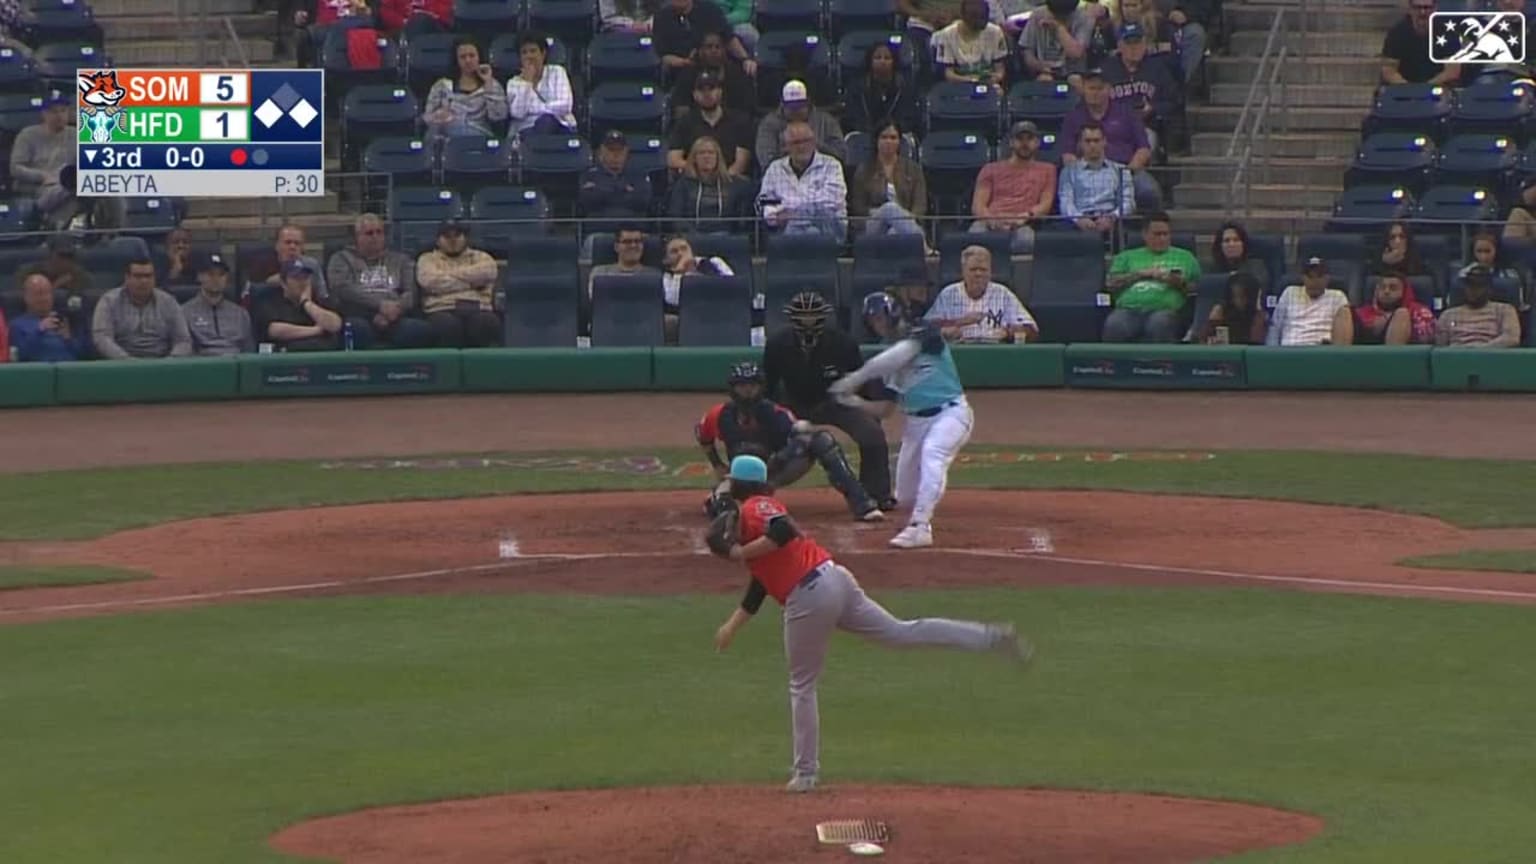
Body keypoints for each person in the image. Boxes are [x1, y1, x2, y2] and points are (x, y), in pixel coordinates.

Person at [706, 453, 1031, 794]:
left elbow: (785, 531)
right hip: (835, 580)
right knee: (901, 632)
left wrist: (738, 554)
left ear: (741, 485)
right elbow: (761, 582)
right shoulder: (752, 521)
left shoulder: (758, 507)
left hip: (809, 595)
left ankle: (805, 773)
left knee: (801, 685)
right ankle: (990, 637)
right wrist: (732, 625)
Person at [829, 296, 974, 549]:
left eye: (880, 318)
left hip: (950, 413)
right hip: (915, 424)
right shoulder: (886, 362)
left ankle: (920, 526)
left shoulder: (923, 332)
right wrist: (852, 402)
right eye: (872, 320)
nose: (877, 324)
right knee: (905, 496)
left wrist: (855, 378)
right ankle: (916, 515)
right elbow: (885, 410)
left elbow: (901, 354)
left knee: (934, 454)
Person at [695, 362, 885, 522]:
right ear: (732, 388)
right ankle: (724, 495)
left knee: (822, 440)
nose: (747, 391)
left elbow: (799, 440)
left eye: (752, 385)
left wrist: (777, 461)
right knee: (721, 513)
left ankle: (862, 504)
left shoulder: (777, 414)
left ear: (761, 387)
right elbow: (703, 435)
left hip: (773, 471)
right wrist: (717, 464)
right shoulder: (719, 415)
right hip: (739, 476)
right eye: (742, 386)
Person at [762, 292, 896, 511]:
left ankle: (877, 493)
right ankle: (755, 488)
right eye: (803, 317)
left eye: (813, 317)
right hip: (793, 401)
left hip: (834, 400)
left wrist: (869, 412)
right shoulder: (777, 344)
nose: (808, 322)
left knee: (871, 434)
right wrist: (771, 416)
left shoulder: (843, 343)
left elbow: (861, 381)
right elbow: (769, 385)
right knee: (764, 433)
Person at [1059, 68, 1160, 210]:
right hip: (1088, 172)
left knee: (1148, 191)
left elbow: (1143, 148)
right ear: (1083, 89)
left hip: (1124, 170)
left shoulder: (1126, 113)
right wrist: (1084, 174)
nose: (1095, 92)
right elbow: (1068, 154)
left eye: (1100, 88)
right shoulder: (1073, 117)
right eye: (1091, 88)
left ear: (1109, 89)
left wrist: (1128, 173)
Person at [328, 214, 432, 349]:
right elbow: (342, 289)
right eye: (369, 233)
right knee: (357, 329)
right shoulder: (341, 259)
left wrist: (395, 310)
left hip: (394, 316)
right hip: (358, 314)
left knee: (418, 330)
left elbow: (410, 292)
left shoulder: (401, 260)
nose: (375, 237)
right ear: (357, 237)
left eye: (379, 232)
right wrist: (379, 306)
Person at [1102, 212, 1200, 342]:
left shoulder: (1186, 257)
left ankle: (1161, 363)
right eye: (1157, 234)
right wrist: (1139, 274)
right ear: (1145, 235)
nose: (1162, 238)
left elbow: (1197, 290)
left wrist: (1175, 282)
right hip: (1128, 310)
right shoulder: (1126, 256)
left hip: (1165, 310)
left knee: (1159, 323)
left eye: (1166, 234)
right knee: (1114, 325)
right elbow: (1110, 284)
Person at [969, 120, 1057, 252]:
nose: (1024, 143)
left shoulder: (1048, 170)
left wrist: (1024, 217)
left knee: (1026, 239)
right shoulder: (990, 169)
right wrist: (993, 221)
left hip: (1023, 223)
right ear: (1011, 142)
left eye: (1029, 139)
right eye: (1020, 139)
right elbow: (978, 206)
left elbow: (1045, 205)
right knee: (976, 233)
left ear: (1037, 143)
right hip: (991, 221)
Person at [925, 245, 1038, 343]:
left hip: (995, 352)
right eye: (973, 269)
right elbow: (926, 328)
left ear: (990, 272)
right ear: (963, 271)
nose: (978, 274)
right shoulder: (948, 294)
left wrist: (1008, 332)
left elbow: (1032, 330)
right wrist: (955, 325)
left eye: (983, 270)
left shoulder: (1003, 293)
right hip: (959, 352)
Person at [415, 220, 502, 347]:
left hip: (478, 308)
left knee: (485, 323)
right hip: (441, 309)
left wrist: (447, 276)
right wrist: (471, 283)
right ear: (438, 240)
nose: (453, 240)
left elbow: (488, 273)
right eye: (447, 236)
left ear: (465, 238)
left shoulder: (482, 256)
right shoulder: (427, 259)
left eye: (457, 236)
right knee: (447, 326)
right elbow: (430, 282)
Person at [758, 121, 848, 238]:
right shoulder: (775, 168)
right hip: (784, 228)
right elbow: (765, 201)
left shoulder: (831, 165)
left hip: (827, 227)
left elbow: (831, 202)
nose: (801, 147)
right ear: (786, 146)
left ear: (814, 142)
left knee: (812, 228)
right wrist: (774, 216)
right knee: (809, 232)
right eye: (795, 143)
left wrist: (792, 213)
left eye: (806, 141)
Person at [91, 259, 194, 359]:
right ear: (127, 278)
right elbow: (102, 338)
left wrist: (171, 360)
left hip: (163, 363)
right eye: (138, 276)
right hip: (122, 365)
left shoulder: (168, 301)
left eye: (148, 276)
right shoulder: (109, 301)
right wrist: (126, 361)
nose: (144, 281)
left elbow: (183, 340)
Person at [848, 122, 928, 239]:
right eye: (884, 137)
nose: (888, 141)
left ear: (899, 141)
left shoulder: (913, 169)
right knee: (889, 209)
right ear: (876, 141)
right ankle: (924, 247)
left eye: (893, 138)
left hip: (906, 223)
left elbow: (920, 205)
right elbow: (858, 207)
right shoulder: (864, 170)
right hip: (872, 224)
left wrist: (904, 218)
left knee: (893, 232)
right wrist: (880, 213)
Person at [579, 130, 654, 256]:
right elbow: (589, 201)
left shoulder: (639, 174)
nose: (615, 155)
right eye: (611, 150)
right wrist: (624, 191)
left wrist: (606, 191)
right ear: (602, 151)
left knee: (653, 244)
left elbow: (643, 201)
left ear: (626, 152)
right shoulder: (589, 175)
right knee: (590, 245)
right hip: (599, 233)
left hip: (635, 235)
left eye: (619, 151)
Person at [666, 72, 755, 177]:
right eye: (701, 90)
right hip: (694, 180)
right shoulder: (685, 122)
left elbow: (741, 162)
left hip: (730, 181)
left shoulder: (739, 121)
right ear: (695, 95)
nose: (707, 94)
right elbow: (673, 159)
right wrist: (699, 174)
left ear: (720, 92)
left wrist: (721, 180)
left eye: (711, 89)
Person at [1056, 121, 1135, 234]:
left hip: (1112, 222)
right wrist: (1079, 219)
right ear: (1080, 144)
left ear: (1104, 142)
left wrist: (1111, 217)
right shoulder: (1068, 171)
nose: (1092, 145)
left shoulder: (1120, 170)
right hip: (1079, 221)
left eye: (1096, 141)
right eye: (1088, 141)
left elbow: (1128, 202)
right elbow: (1066, 202)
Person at [422, 36, 508, 139]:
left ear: (479, 57)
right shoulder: (441, 86)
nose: (468, 60)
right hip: (447, 136)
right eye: (463, 57)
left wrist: (488, 83)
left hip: (479, 135)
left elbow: (499, 116)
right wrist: (438, 116)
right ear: (456, 60)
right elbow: (427, 117)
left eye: (472, 56)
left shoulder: (492, 84)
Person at [666, 135, 752, 235]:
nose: (706, 156)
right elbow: (676, 216)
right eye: (701, 153)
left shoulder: (734, 184)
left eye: (711, 153)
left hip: (726, 237)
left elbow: (741, 220)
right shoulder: (683, 184)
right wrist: (693, 235)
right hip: (692, 237)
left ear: (718, 157)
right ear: (694, 158)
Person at [255, 259, 345, 352]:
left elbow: (335, 325)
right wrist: (316, 330)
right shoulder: (270, 300)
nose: (302, 282)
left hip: (322, 356)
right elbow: (275, 331)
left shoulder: (318, 300)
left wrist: (306, 303)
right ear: (283, 283)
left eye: (305, 277)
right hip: (289, 356)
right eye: (296, 278)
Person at [661, 235, 735, 343]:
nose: (681, 254)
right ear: (666, 260)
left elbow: (733, 286)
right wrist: (680, 272)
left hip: (721, 311)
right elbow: (673, 300)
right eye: (674, 251)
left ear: (691, 250)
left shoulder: (714, 262)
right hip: (691, 318)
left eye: (684, 248)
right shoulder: (668, 277)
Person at [755, 80, 847, 168]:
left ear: (808, 102)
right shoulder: (769, 124)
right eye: (791, 107)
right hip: (781, 175)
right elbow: (766, 160)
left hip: (823, 172)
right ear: (782, 104)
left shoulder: (826, 121)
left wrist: (814, 145)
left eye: (800, 106)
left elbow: (841, 155)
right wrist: (792, 149)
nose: (795, 111)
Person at [1266, 257, 1353, 347]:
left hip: (1320, 352)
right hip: (1289, 352)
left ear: (1327, 278)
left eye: (1319, 276)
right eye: (1310, 277)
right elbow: (1275, 327)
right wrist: (1272, 355)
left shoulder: (1337, 296)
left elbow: (1343, 341)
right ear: (1303, 278)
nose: (1314, 281)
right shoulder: (1289, 292)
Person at [181, 253, 255, 356]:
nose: (216, 279)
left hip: (235, 364)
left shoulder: (241, 314)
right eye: (211, 274)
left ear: (227, 278)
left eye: (221, 274)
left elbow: (249, 351)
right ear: (199, 277)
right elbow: (184, 348)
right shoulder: (185, 312)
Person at [668, 31, 755, 117]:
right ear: (700, 51)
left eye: (717, 47)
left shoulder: (736, 74)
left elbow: (746, 110)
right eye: (709, 47)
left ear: (724, 50)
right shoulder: (689, 74)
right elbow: (680, 108)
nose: (714, 51)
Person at [506, 32, 577, 137]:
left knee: (546, 120)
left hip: (559, 126)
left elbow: (565, 106)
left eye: (533, 51)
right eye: (524, 52)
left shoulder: (557, 72)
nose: (529, 56)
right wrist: (527, 83)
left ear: (543, 54)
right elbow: (518, 113)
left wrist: (535, 109)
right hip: (527, 130)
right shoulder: (513, 83)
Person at [842, 41, 920, 135]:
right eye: (877, 58)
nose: (882, 61)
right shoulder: (857, 87)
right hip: (863, 134)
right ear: (870, 61)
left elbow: (908, 117)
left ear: (894, 61)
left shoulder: (905, 87)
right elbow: (853, 116)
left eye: (887, 58)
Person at [1436, 264, 1523, 348]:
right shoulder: (1448, 315)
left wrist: (1478, 350)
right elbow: (1440, 348)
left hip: (1491, 357)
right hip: (1455, 358)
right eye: (1469, 286)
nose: (1473, 290)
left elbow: (1511, 339)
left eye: (1478, 286)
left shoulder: (1504, 310)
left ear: (1489, 289)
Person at [1340, 270, 1436, 346]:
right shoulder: (1364, 311)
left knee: (1401, 314)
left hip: (1402, 354)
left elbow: (1428, 337)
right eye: (1382, 287)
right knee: (1344, 311)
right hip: (1359, 350)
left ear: (1404, 291)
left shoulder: (1419, 311)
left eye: (1393, 288)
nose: (1386, 291)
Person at [1380, 0, 1460, 86]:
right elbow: (1389, 71)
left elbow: (1452, 71)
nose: (1422, 12)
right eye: (1417, 8)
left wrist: (1424, 89)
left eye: (1427, 7)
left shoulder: (1447, 32)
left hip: (1438, 88)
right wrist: (1411, 89)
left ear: (1435, 9)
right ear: (1409, 9)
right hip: (1403, 89)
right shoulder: (1397, 33)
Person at [8, 274, 84, 362]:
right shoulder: (17, 325)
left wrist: (68, 338)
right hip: (37, 372)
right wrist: (40, 330)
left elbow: (81, 355)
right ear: (26, 297)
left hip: (68, 371)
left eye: (47, 293)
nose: (44, 298)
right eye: (38, 293)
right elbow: (21, 355)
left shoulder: (63, 320)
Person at [932, 0, 1010, 86]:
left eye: (984, 17)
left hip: (988, 83)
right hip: (958, 85)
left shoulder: (995, 32)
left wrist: (996, 78)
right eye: (976, 17)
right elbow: (949, 74)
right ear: (963, 17)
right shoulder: (946, 35)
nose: (981, 21)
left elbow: (1000, 69)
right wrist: (972, 81)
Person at [1020, 0, 1095, 87]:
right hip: (1044, 70)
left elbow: (1076, 53)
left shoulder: (1084, 18)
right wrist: (1039, 65)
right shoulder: (1038, 15)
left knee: (1075, 81)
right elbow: (1027, 51)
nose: (1059, 18)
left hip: (1073, 71)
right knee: (1045, 80)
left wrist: (1058, 27)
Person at [1202, 270, 1267, 345]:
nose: (1237, 301)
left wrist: (1259, 318)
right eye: (1234, 296)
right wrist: (1213, 322)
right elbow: (1201, 340)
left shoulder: (1257, 316)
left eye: (1242, 297)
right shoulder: (1222, 312)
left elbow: (1255, 344)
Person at [1208, 221, 1270, 290]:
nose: (1231, 244)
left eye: (1236, 240)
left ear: (1243, 244)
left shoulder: (1257, 267)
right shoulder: (1213, 270)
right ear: (1220, 246)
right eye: (1226, 241)